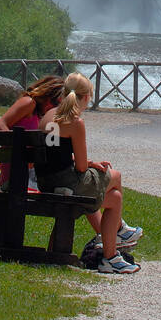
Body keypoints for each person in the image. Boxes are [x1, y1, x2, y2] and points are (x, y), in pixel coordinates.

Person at [38, 72, 143, 274]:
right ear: (86, 97)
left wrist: (90, 163)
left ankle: (112, 252)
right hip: (67, 183)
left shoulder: (48, 117)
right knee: (116, 176)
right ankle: (116, 238)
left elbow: (55, 154)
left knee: (114, 198)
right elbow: (80, 168)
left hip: (47, 182)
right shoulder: (75, 121)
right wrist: (90, 165)